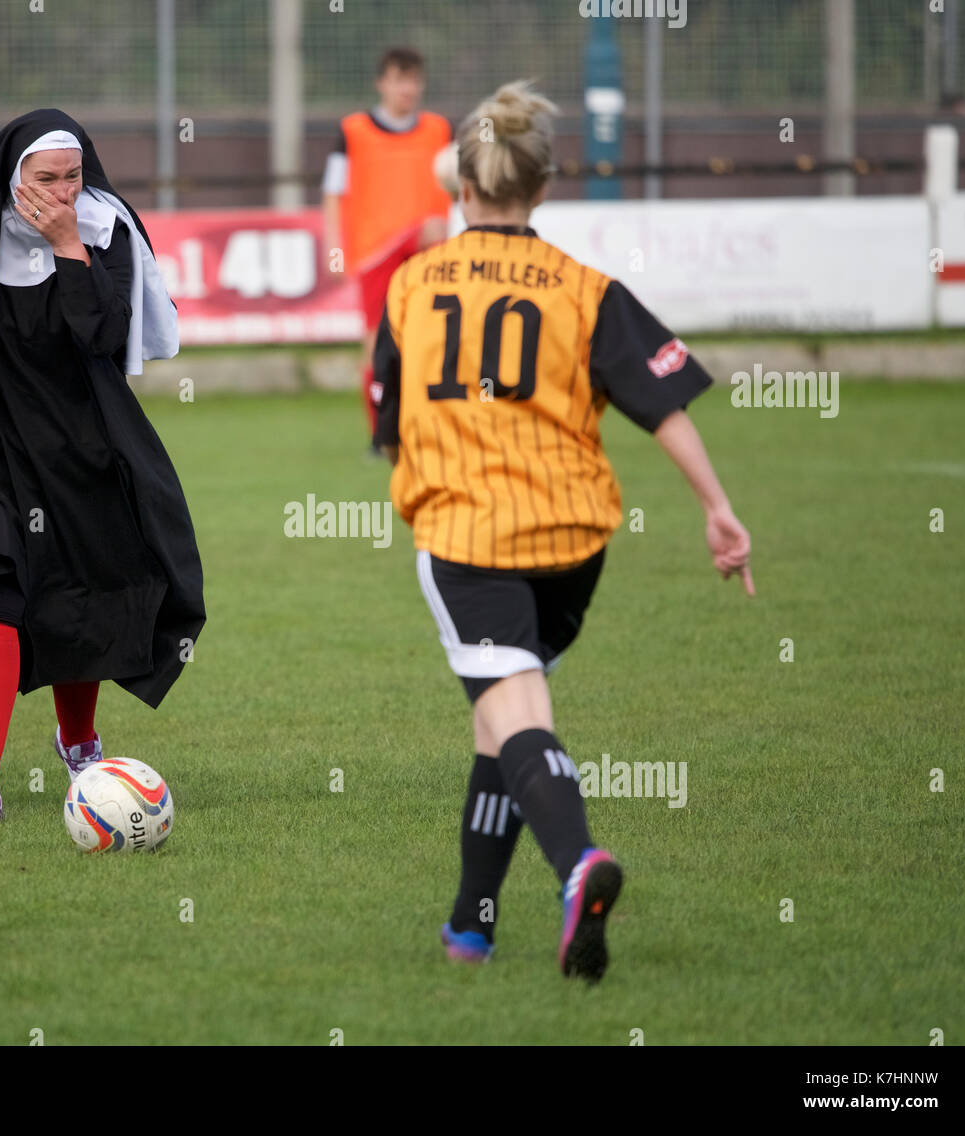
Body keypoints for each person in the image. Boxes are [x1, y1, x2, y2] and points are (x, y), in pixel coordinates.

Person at [372, 81, 753, 981]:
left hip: (469, 537)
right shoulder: (587, 290)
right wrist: (718, 508)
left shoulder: (413, 284)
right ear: (541, 192)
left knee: (514, 715)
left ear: (462, 189)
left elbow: (387, 420)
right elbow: (660, 405)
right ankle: (470, 925)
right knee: (501, 721)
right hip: (574, 543)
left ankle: (579, 862)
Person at [0, 108, 205, 823]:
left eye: (72, 177)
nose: (60, 193)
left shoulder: (103, 229)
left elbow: (107, 334)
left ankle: (79, 745)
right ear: (11, 176)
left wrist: (67, 248)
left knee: (79, 588)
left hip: (77, 440)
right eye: (44, 179)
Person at [322, 46, 453, 450]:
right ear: (382, 83)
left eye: (414, 80)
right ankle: (381, 434)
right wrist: (334, 247)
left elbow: (454, 187)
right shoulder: (352, 131)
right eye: (399, 79)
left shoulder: (439, 130)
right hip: (375, 253)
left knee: (432, 343)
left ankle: (430, 428)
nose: (407, 89)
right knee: (377, 344)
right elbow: (332, 192)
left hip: (428, 252)